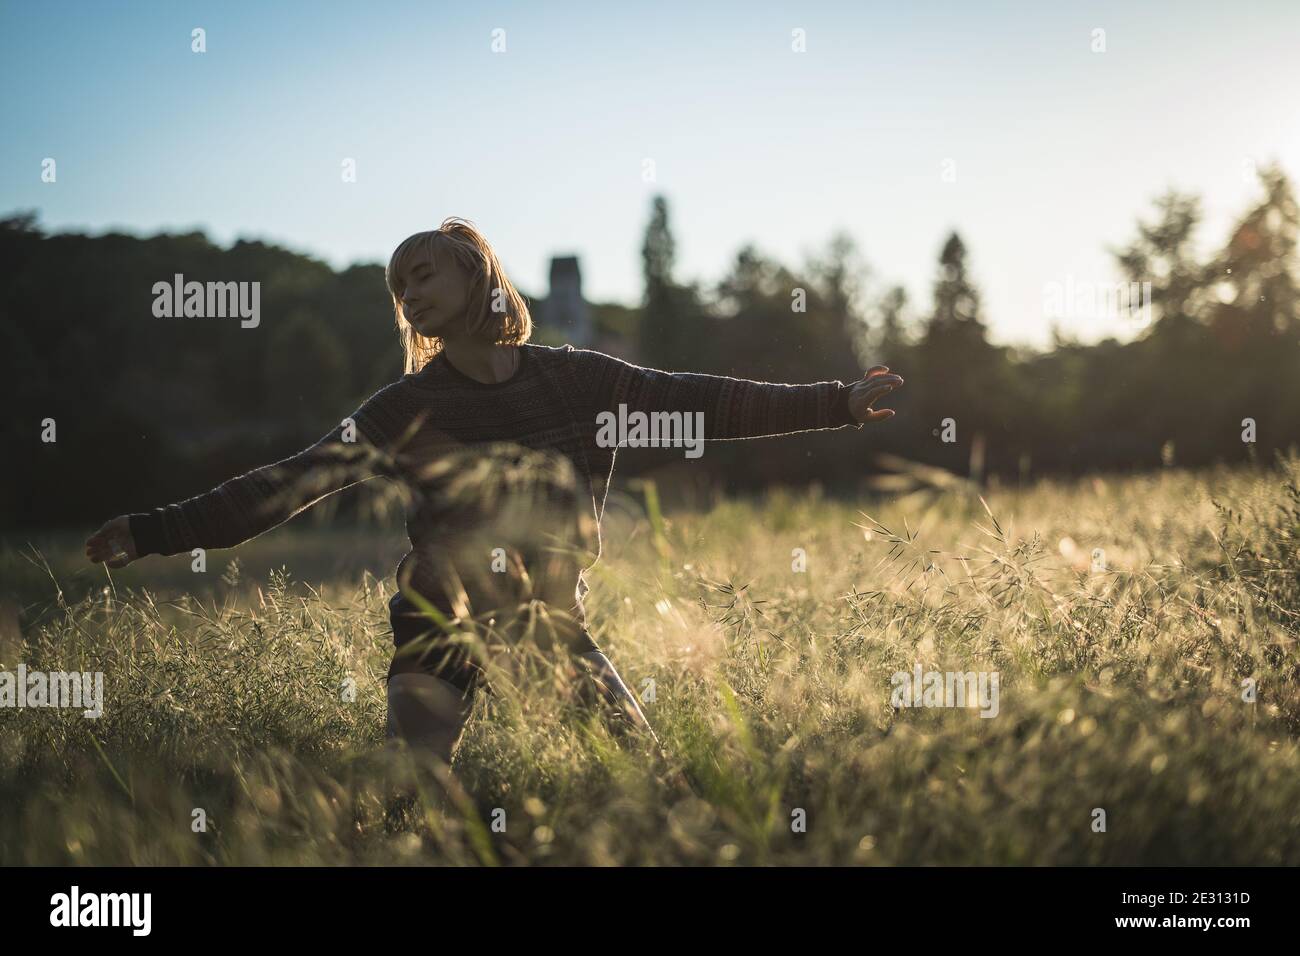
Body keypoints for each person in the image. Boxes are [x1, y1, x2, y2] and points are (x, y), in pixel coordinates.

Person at [85, 216, 904, 769]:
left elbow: (705, 400)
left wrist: (836, 401)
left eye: (423, 272)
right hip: (438, 622)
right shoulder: (404, 408)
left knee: (643, 774)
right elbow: (289, 484)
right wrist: (156, 529)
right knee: (412, 793)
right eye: (398, 287)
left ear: (478, 274)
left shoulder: (575, 380)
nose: (408, 292)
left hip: (549, 619)